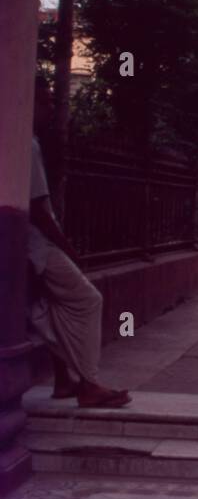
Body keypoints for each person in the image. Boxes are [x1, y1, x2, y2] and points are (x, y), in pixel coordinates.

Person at [28, 79, 131, 408]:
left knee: (46, 308)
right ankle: (89, 383)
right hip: (38, 245)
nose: (48, 110)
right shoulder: (26, 144)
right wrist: (68, 249)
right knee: (88, 300)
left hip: (29, 246)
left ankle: (63, 379)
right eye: (43, 102)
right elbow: (37, 210)